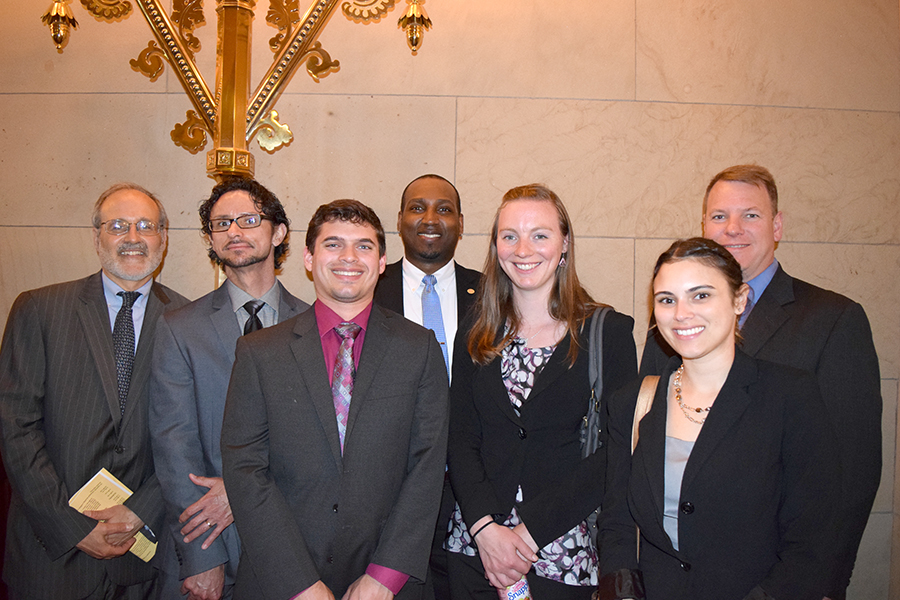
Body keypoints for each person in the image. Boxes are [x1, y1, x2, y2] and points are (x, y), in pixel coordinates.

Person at [639, 165, 881, 599]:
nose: (732, 229)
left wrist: (823, 582)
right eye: (718, 216)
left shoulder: (832, 320)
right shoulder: (671, 326)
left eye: (749, 215)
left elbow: (853, 471)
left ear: (777, 225)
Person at [220, 200, 449, 599]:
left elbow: (427, 467)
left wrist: (385, 575)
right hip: (281, 582)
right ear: (308, 258)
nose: (349, 258)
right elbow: (246, 472)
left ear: (381, 262)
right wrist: (299, 584)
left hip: (388, 583)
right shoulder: (259, 353)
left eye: (364, 246)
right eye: (333, 245)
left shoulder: (419, 349)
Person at [599, 237, 840, 600]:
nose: (682, 313)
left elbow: (814, 539)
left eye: (701, 295)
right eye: (667, 300)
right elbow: (617, 523)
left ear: (739, 299)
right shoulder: (632, 403)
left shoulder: (790, 397)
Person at [446, 184, 637, 599]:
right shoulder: (475, 329)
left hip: (561, 553)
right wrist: (485, 530)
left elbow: (616, 449)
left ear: (564, 243)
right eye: (509, 235)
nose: (523, 249)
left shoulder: (610, 333)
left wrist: (527, 535)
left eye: (540, 235)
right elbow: (459, 437)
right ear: (496, 245)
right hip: (475, 549)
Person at [0, 183, 188, 600]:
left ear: (164, 238)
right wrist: (73, 527)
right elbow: (15, 428)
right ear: (96, 235)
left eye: (146, 226)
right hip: (51, 555)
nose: (133, 237)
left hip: (143, 562)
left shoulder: (188, 321)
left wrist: (140, 512)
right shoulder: (39, 309)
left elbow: (192, 439)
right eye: (118, 225)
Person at [149, 178, 309, 600]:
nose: (234, 231)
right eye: (222, 224)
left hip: (295, 546)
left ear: (278, 232)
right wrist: (204, 558)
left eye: (249, 220)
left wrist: (240, 489)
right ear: (211, 240)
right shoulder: (180, 328)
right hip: (210, 543)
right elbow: (173, 445)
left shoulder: (315, 325)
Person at [373, 174, 481, 600]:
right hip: (388, 495)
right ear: (399, 220)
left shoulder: (493, 293)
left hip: (469, 495)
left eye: (444, 208)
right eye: (417, 207)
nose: (430, 217)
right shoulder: (367, 291)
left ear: (460, 221)